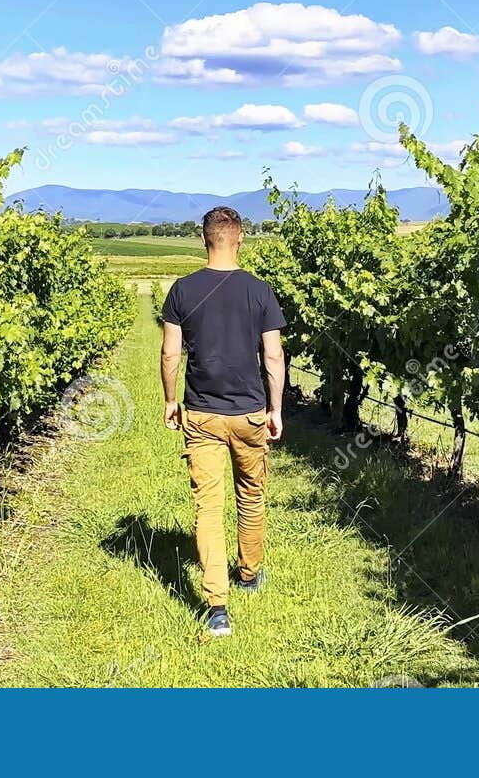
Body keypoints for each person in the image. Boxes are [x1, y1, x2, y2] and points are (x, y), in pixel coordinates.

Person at [160, 206, 286, 637]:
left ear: (204, 239)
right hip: (250, 414)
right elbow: (272, 355)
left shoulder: (181, 291)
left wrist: (170, 400)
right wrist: (276, 409)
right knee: (251, 495)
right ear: (240, 239)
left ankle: (217, 608)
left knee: (208, 509)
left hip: (202, 416)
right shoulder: (260, 291)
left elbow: (170, 353)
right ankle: (249, 575)